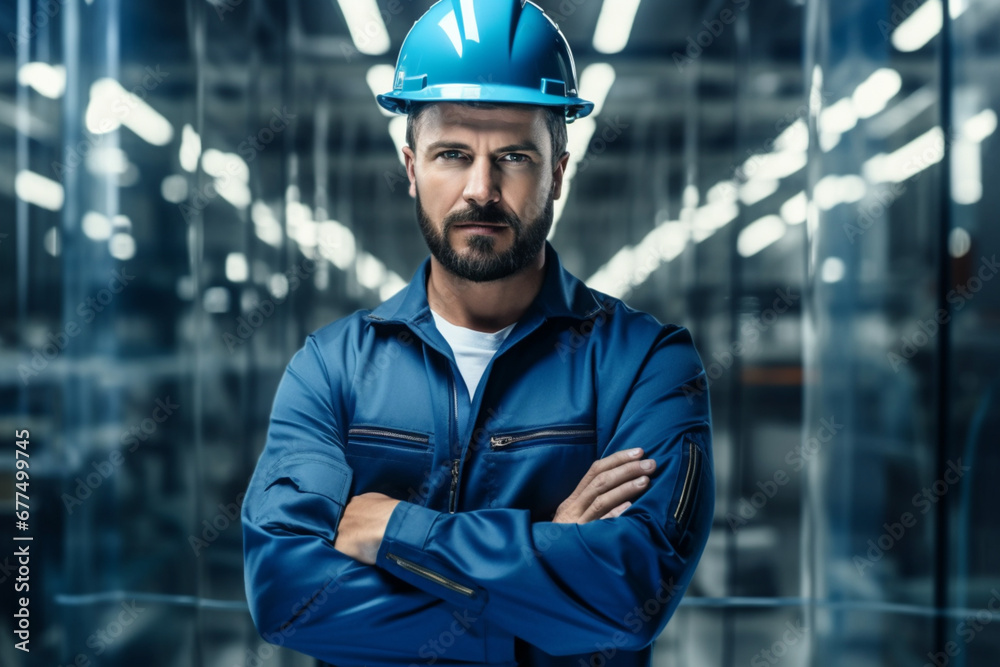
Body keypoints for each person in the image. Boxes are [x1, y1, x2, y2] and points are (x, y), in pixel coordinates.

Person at [241, 1, 714, 666]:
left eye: (514, 156)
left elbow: (633, 592)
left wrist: (396, 530)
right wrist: (545, 570)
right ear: (412, 166)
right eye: (452, 154)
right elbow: (287, 595)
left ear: (558, 170)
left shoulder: (645, 362)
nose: (481, 189)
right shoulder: (330, 367)